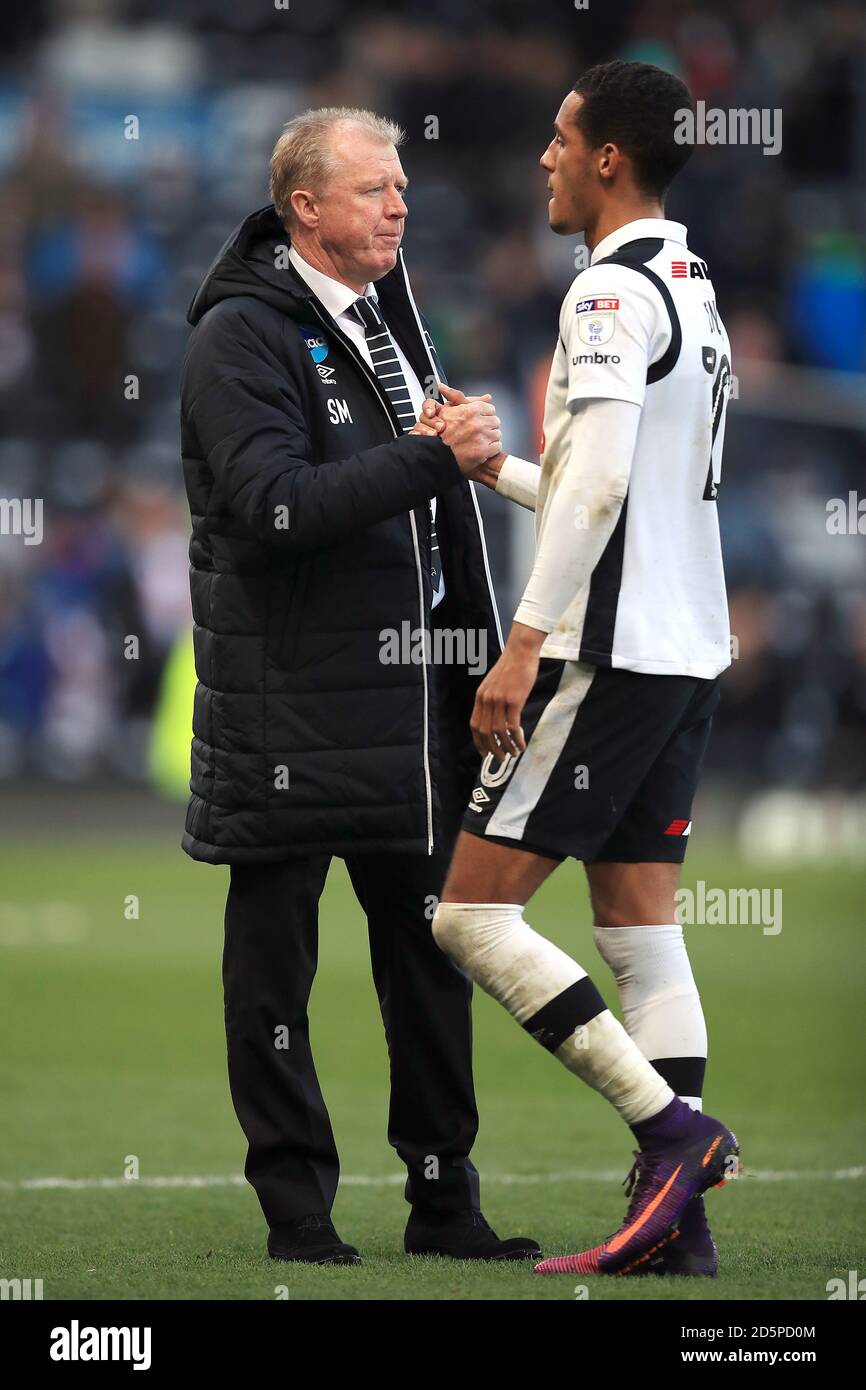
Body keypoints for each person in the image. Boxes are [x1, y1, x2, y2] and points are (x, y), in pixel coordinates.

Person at [180, 107, 539, 1264]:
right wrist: (434, 453)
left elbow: (433, 522)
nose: (399, 204)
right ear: (306, 209)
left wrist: (481, 650)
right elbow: (273, 506)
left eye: (401, 186)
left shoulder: (388, 324)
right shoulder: (241, 334)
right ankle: (298, 1212)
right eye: (375, 188)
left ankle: (444, 1201)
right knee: (275, 970)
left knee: (434, 959)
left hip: (410, 704)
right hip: (288, 705)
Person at [422, 61, 739, 1276]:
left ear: (607, 158)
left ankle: (670, 1135)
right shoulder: (692, 285)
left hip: (601, 656)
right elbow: (605, 489)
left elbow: (602, 488)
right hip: (681, 650)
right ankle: (680, 1232)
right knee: (638, 927)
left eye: (561, 139)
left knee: (468, 911)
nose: (545, 158)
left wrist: (519, 646)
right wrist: (491, 464)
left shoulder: (606, 294)